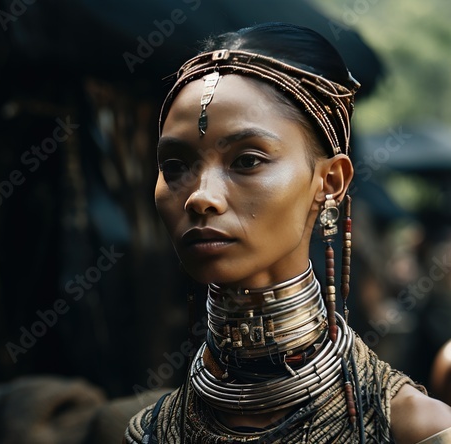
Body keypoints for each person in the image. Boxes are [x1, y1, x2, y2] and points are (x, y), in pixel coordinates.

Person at [124, 23, 451, 443]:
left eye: (247, 160)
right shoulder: (151, 433)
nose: (200, 197)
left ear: (330, 182)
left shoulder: (415, 429)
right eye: (174, 166)